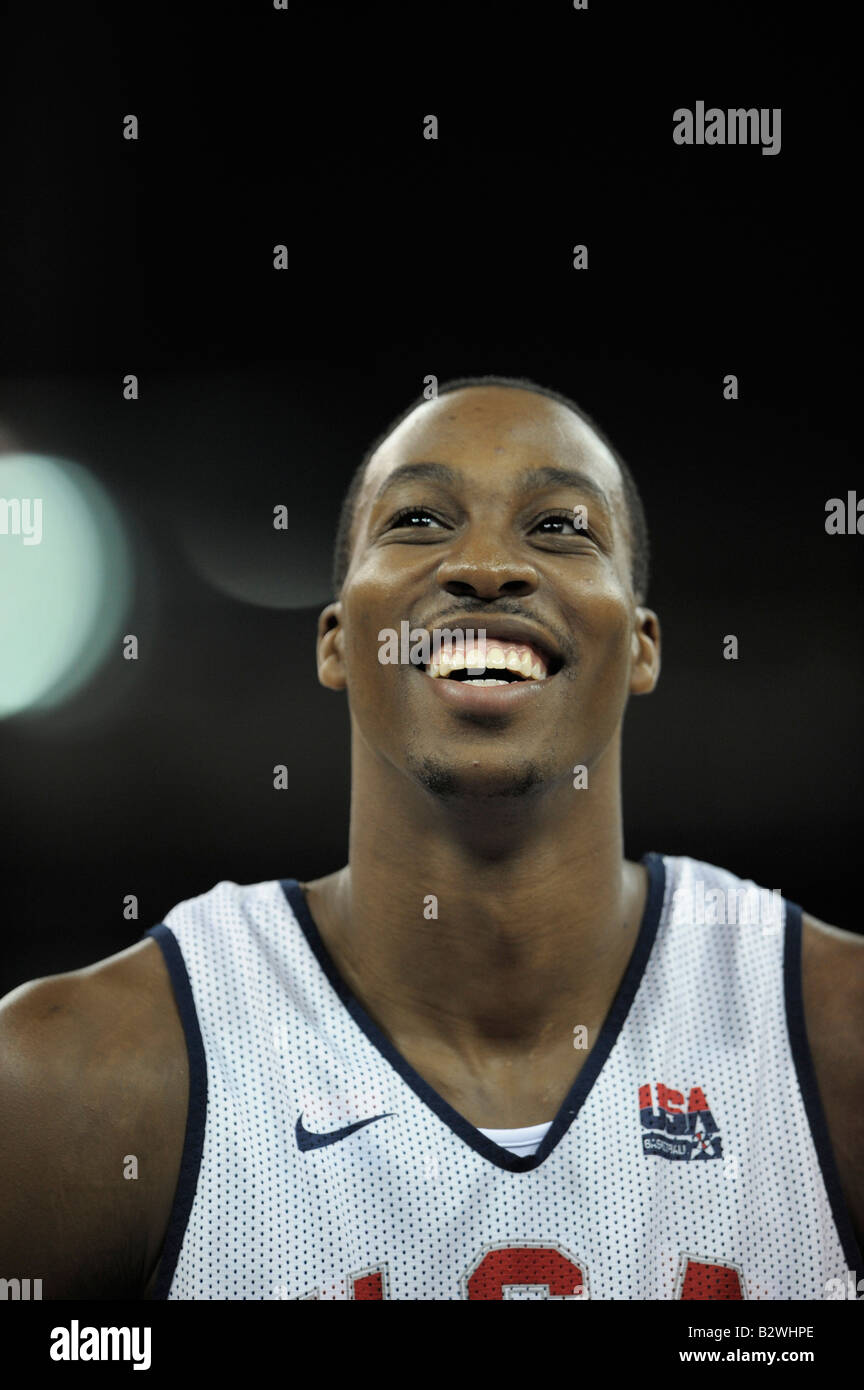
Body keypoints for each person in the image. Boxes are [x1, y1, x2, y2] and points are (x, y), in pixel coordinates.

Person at [1, 376, 861, 1300]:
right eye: (417, 520)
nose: (487, 566)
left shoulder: (836, 1035)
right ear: (335, 641)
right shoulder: (76, 1080)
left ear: (643, 645)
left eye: (561, 527)